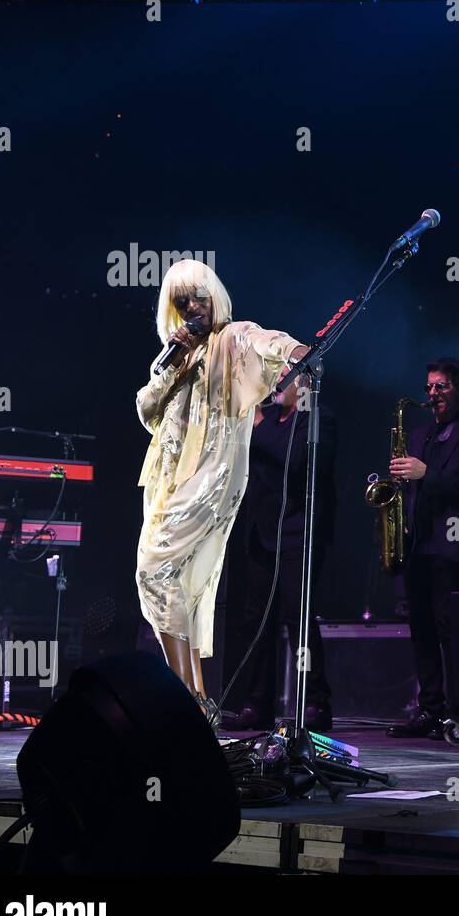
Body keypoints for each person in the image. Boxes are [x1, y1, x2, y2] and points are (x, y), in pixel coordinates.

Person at [136, 259, 309, 730]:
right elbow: (147, 410)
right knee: (183, 587)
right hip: (170, 479)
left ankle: (185, 698)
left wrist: (296, 352)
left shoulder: (230, 337)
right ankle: (198, 701)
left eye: (199, 297)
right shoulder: (179, 353)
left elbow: (265, 339)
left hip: (210, 474)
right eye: (182, 301)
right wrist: (170, 364)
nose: (193, 307)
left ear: (215, 296)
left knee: (153, 571)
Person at [221, 367, 337, 733]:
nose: (274, 385)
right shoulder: (268, 418)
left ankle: (315, 702)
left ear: (302, 385)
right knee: (256, 620)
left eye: (284, 379)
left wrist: (256, 423)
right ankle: (258, 704)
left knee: (297, 618)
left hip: (298, 533)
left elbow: (298, 461)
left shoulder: (317, 418)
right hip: (263, 533)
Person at [387, 357, 459, 738]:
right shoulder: (419, 435)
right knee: (422, 630)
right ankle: (429, 709)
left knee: (452, 632)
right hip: (419, 545)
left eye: (441, 387)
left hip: (453, 544)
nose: (432, 395)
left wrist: (425, 474)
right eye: (429, 387)